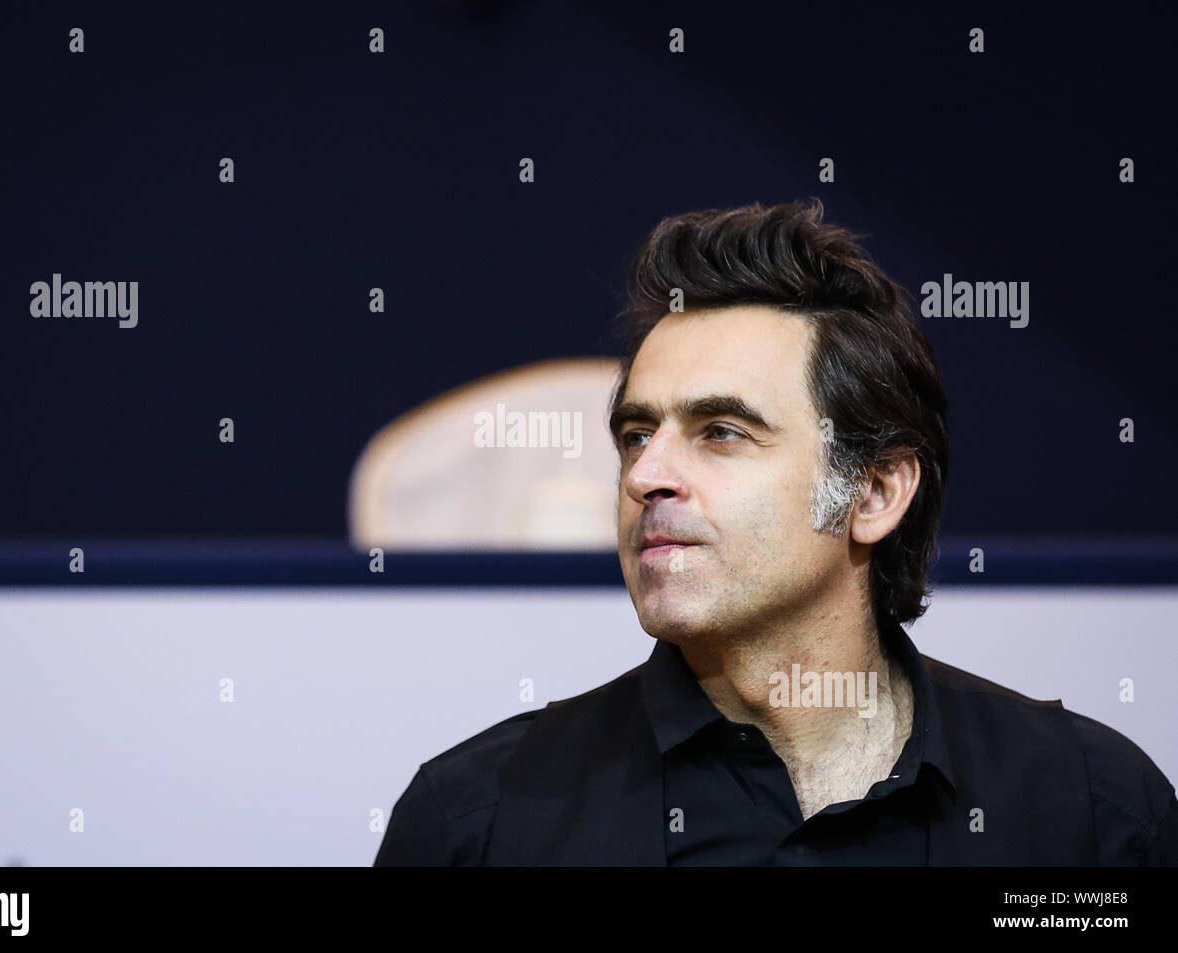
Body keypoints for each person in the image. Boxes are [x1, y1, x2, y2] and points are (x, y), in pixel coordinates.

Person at [374, 199, 1178, 865]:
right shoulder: (475, 823)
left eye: (721, 431)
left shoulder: (1092, 813)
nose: (644, 475)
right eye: (635, 433)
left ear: (875, 491)